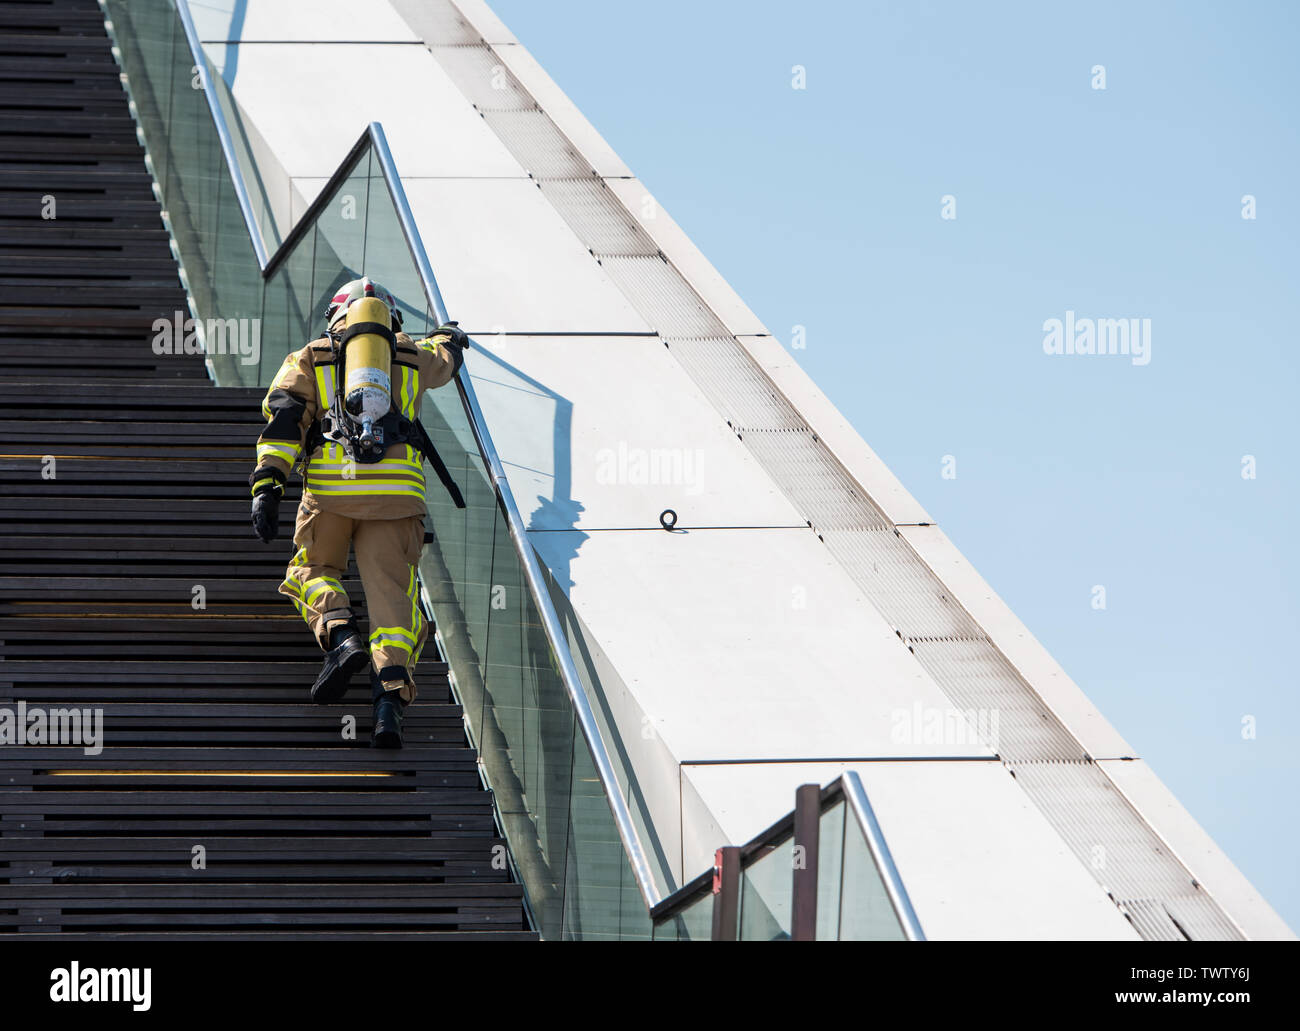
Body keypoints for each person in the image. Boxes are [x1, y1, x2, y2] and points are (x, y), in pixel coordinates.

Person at [247, 277, 468, 748]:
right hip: (397, 496)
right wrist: (448, 338)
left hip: (331, 490)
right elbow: (445, 360)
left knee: (313, 568)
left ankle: (341, 635)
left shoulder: (312, 354)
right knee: (393, 601)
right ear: (389, 318)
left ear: (336, 316)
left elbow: (286, 418)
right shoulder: (409, 352)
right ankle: (388, 701)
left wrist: (269, 484)